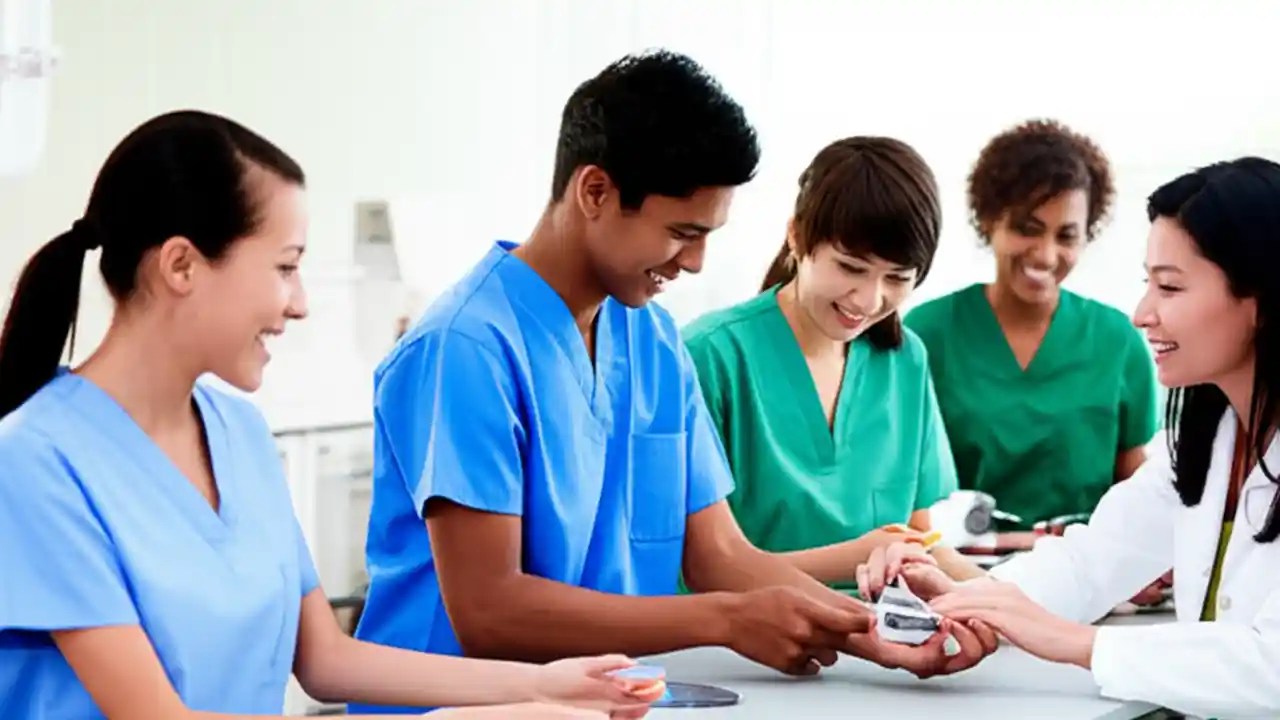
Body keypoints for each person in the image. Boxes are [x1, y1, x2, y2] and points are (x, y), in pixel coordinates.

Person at [353, 51, 995, 715]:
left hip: (606, 701)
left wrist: (874, 635)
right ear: (595, 192)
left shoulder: (652, 339)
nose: (695, 262)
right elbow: (490, 613)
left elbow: (720, 554)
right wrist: (724, 620)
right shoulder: (465, 350)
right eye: (682, 233)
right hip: (460, 709)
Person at [0, 110, 661, 720]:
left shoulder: (237, 432)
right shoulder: (36, 462)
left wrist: (544, 685)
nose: (300, 303)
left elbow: (326, 659)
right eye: (285, 267)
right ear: (181, 266)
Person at [859, 157, 1280, 719]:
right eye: (1147, 284)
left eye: (1170, 287)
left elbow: (1271, 666)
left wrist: (1078, 644)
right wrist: (961, 598)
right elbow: (1090, 563)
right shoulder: (1202, 443)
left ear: (1261, 301)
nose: (1142, 314)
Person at [681, 136, 981, 592]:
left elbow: (921, 541)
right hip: (747, 630)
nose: (870, 300)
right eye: (851, 268)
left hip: (886, 626)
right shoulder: (710, 356)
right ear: (797, 236)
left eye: (898, 277)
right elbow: (700, 566)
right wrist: (855, 557)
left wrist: (1014, 601)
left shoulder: (905, 360)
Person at [905, 119, 1159, 547]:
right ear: (990, 220)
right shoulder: (927, 334)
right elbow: (900, 491)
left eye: (1066, 236)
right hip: (957, 567)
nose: (1045, 254)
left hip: (1082, 569)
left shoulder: (1118, 340)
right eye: (1027, 228)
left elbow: (1135, 495)